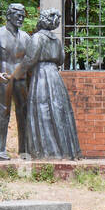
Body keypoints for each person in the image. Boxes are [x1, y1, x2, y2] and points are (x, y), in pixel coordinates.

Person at [14, 9, 81, 160]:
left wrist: (17, 73)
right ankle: (65, 151)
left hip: (42, 76)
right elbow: (61, 59)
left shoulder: (37, 37)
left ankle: (47, 152)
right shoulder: (56, 40)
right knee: (58, 112)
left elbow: (30, 59)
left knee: (42, 111)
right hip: (55, 77)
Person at [0, 3, 30, 160]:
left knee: (24, 113)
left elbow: (30, 58)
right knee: (3, 112)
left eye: (23, 16)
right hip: (4, 77)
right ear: (9, 15)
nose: (21, 18)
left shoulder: (26, 37)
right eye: (18, 15)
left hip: (21, 78)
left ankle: (25, 150)